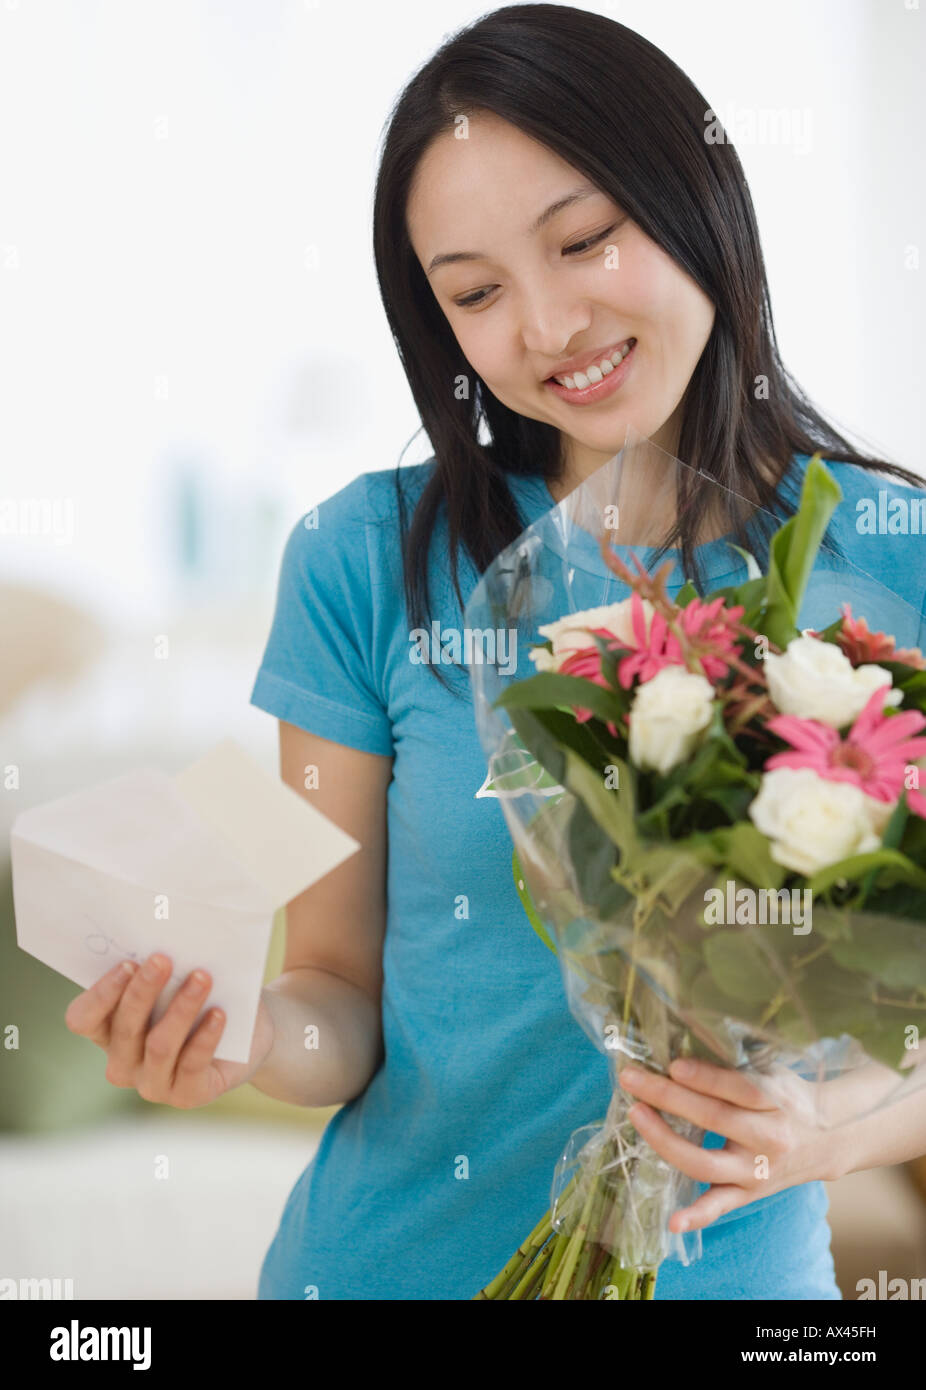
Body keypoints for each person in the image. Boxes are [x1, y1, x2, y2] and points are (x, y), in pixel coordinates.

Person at [64, 4, 926, 1300]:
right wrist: (237, 1034)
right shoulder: (363, 559)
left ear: (698, 201)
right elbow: (335, 996)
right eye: (473, 291)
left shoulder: (888, 549)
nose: (545, 324)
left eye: (583, 241)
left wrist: (825, 1133)